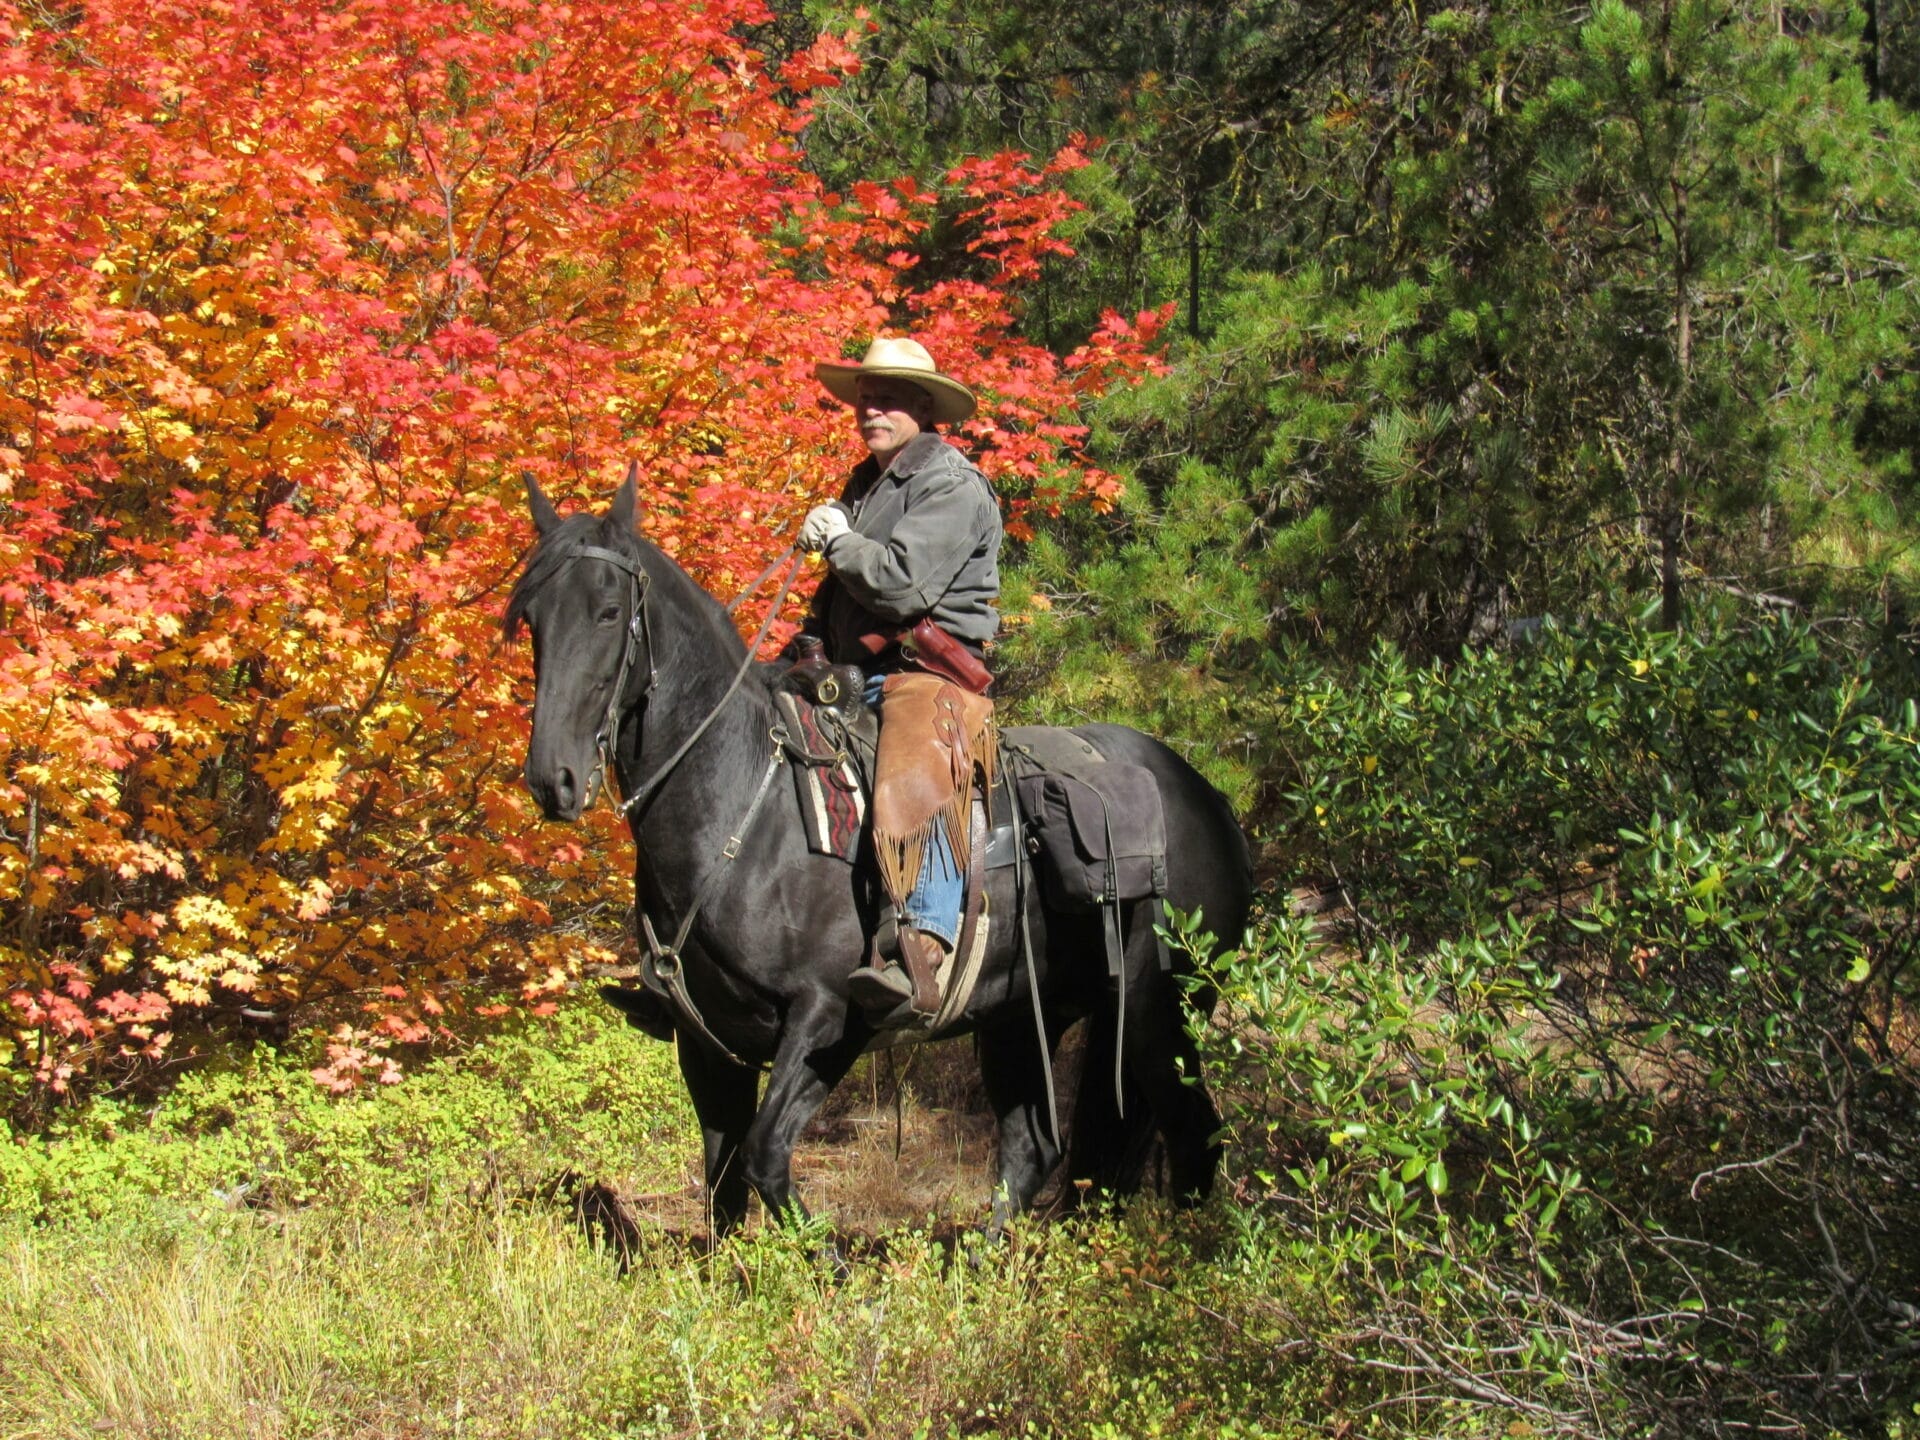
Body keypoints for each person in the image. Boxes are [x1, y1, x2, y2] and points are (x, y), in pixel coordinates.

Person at [795, 337, 1002, 1026]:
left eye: (886, 398)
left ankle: (925, 938)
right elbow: (843, 598)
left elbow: (902, 587)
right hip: (852, 670)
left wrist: (839, 541)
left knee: (915, 752)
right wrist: (805, 644)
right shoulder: (866, 487)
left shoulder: (951, 482)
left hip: (926, 671)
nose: (870, 409)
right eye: (864, 398)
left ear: (923, 406)